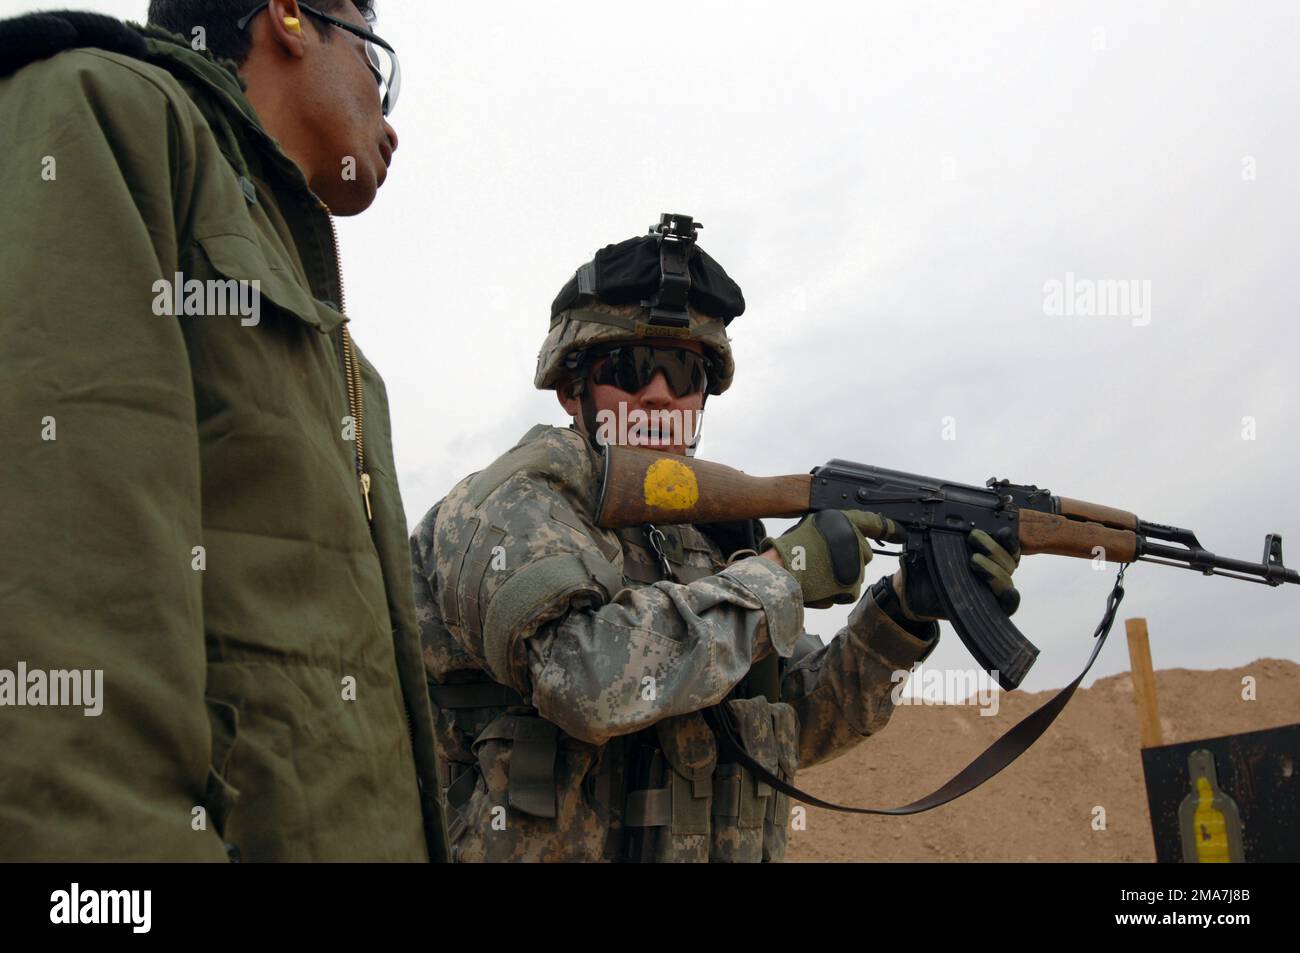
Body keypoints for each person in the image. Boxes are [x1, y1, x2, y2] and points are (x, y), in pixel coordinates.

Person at [411, 213, 1022, 862]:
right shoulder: (508, 507)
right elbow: (585, 679)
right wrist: (777, 576)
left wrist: (900, 615)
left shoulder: (714, 538)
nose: (658, 395)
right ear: (572, 387)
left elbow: (801, 718)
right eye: (631, 365)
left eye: (684, 374)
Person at [0, 1, 445, 861]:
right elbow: (62, 625)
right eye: (373, 60)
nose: (386, 120)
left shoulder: (345, 358)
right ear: (289, 16)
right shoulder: (106, 109)